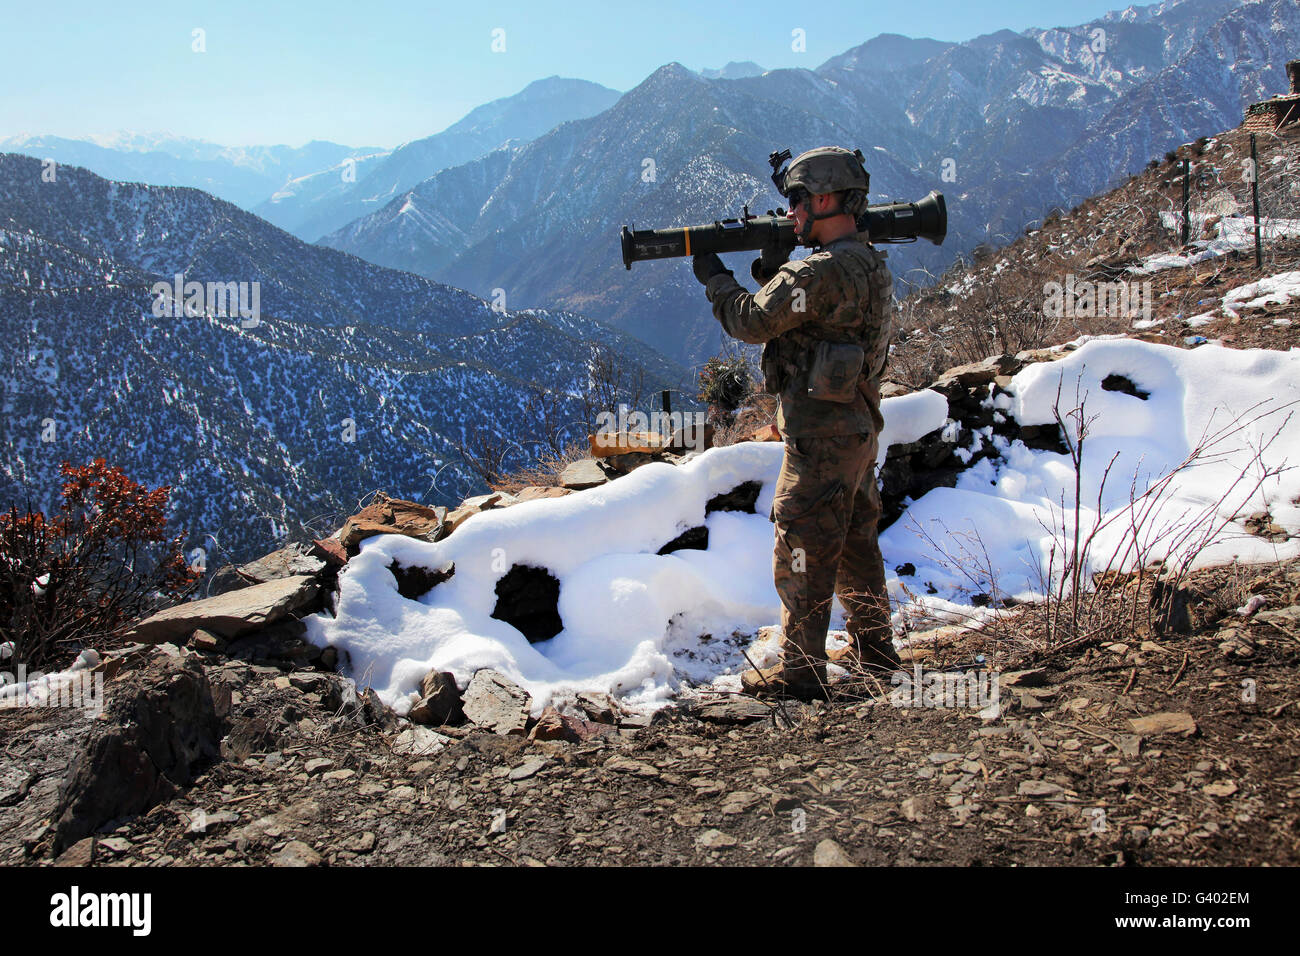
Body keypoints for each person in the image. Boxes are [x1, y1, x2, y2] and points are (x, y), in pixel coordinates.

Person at [691, 146, 900, 700]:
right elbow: (806, 312)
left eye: (798, 201)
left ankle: (799, 671)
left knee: (801, 544)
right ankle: (875, 649)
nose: (790, 213)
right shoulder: (867, 263)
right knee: (856, 543)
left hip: (820, 436)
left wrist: (714, 277)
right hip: (858, 426)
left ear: (826, 199)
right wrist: (774, 264)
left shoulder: (822, 269)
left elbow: (754, 319)